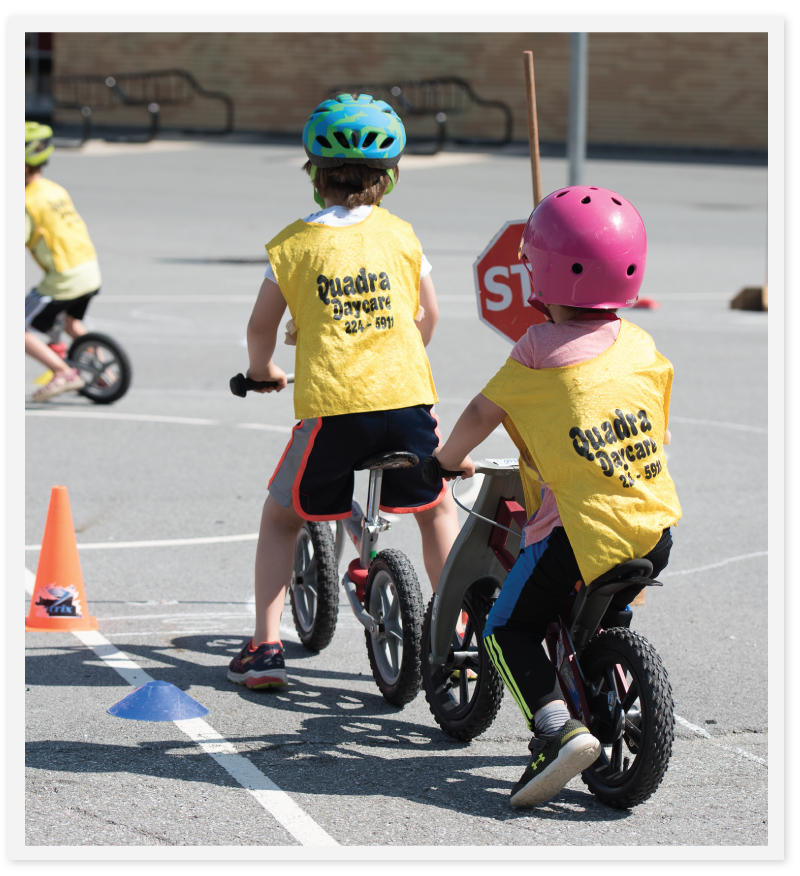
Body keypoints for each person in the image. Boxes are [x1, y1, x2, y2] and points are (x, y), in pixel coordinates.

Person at [431, 185, 682, 808]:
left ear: (539, 274)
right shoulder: (642, 344)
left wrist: (444, 461)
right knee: (598, 617)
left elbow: (481, 411)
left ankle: (554, 728)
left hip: (579, 533)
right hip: (653, 526)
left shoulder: (538, 350)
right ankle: (603, 687)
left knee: (505, 628)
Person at [227, 94, 460, 690]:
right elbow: (429, 317)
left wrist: (263, 369)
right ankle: (457, 624)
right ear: (387, 179)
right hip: (407, 402)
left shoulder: (292, 245)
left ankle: (266, 645)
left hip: (334, 409)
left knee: (282, 517)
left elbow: (259, 328)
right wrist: (397, 362)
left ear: (314, 175)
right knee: (435, 509)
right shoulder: (403, 235)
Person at [25, 121, 102, 402]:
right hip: (89, 270)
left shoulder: (24, 201)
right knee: (72, 323)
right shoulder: (53, 189)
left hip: (64, 278)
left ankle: (62, 371)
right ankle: (104, 375)